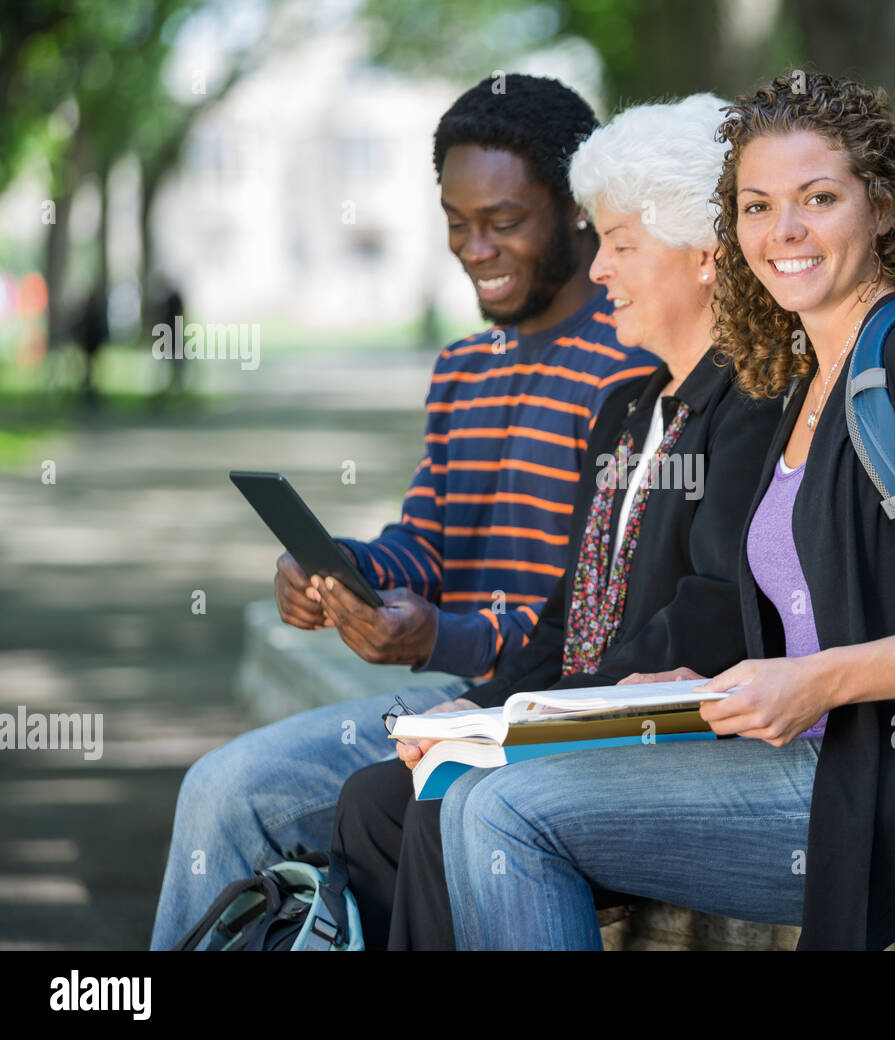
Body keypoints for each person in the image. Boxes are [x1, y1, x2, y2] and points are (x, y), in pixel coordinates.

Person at [434, 70, 895, 950]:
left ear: (887, 208)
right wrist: (707, 686)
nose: (783, 231)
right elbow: (830, 607)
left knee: (508, 811)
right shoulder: (808, 378)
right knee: (470, 787)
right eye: (755, 206)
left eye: (818, 198)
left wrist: (822, 680)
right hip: (818, 758)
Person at [148, 74, 658, 950]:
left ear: (578, 211)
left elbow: (593, 625)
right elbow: (425, 538)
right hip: (449, 696)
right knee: (220, 782)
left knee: (232, 795)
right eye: (456, 222)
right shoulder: (462, 367)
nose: (475, 247)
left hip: (542, 711)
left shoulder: (635, 364)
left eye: (504, 221)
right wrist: (346, 570)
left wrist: (438, 639)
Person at [328, 94, 788, 950]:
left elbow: (713, 617)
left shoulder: (758, 404)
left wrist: (526, 722)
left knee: (448, 795)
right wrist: (473, 714)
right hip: (578, 712)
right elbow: (562, 623)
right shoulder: (626, 409)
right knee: (377, 798)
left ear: (705, 258)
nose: (599, 268)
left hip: (666, 731)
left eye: (619, 244)